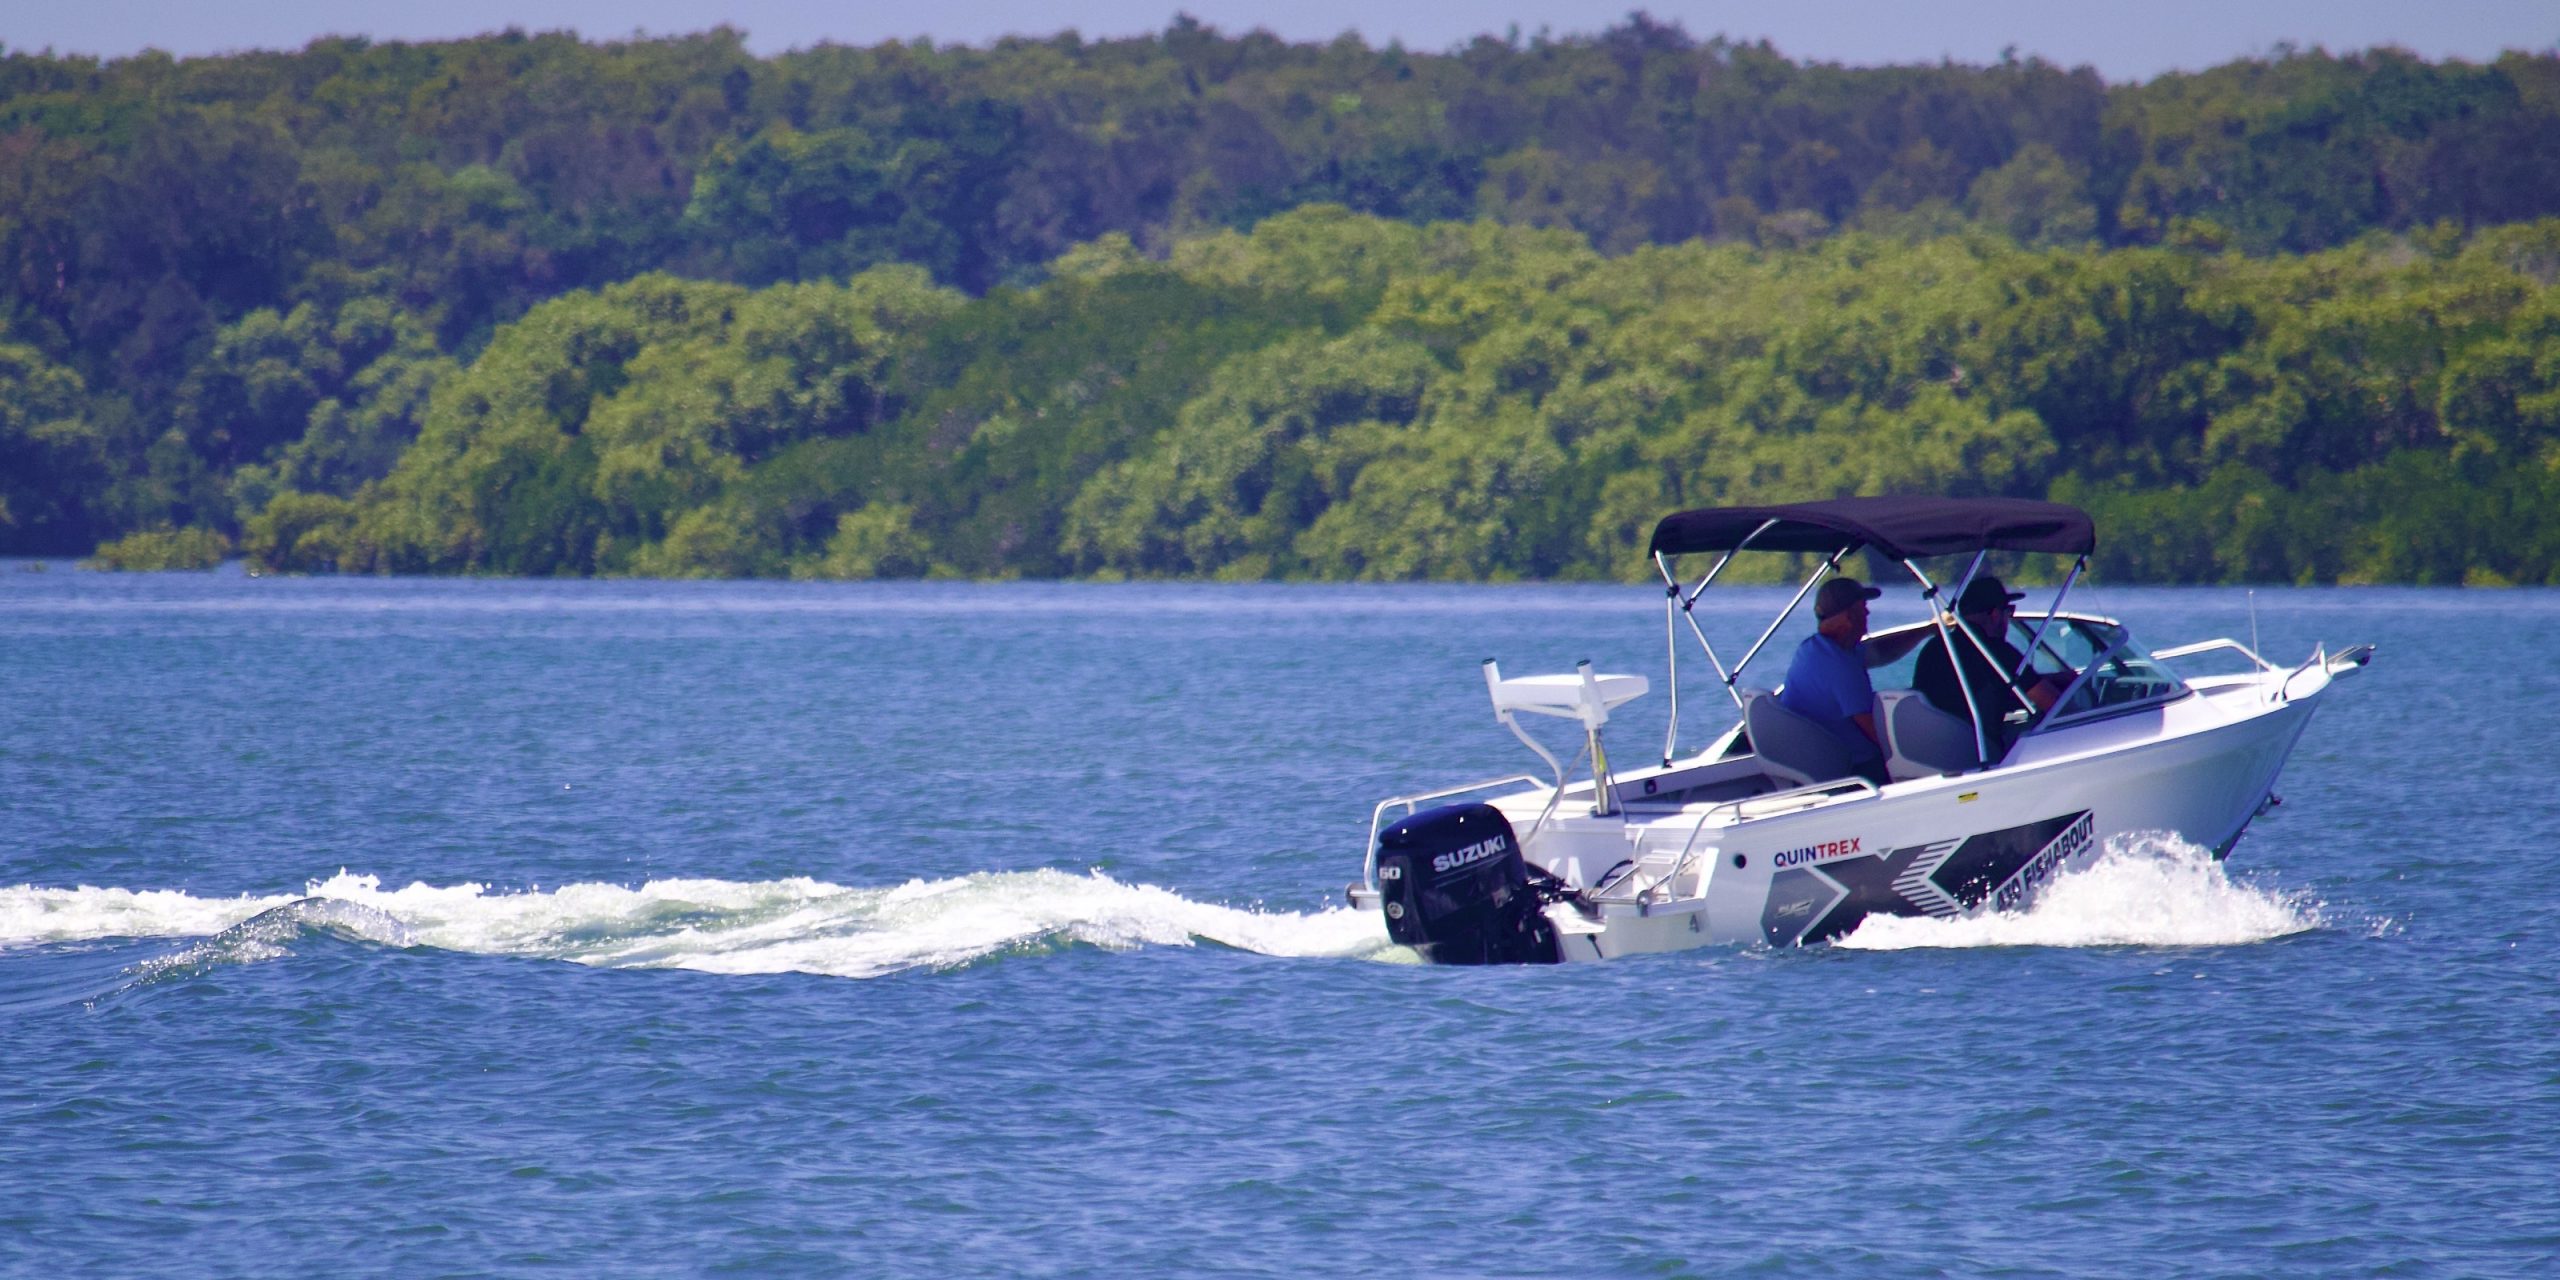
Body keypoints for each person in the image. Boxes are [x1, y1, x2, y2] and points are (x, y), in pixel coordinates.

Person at [1776, 576, 1924, 787]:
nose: (1868, 613)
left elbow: (1882, 651)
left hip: (1816, 758)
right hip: (1853, 770)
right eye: (1863, 607)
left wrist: (1928, 629)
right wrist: (1917, 751)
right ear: (1847, 616)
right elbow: (1873, 731)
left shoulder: (1814, 649)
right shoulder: (1839, 666)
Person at [1912, 575, 2071, 755]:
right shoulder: (1995, 652)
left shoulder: (1934, 648)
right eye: (2009, 611)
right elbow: (2054, 703)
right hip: (1976, 752)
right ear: (1996, 614)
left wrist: (2053, 679)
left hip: (1934, 750)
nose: (2009, 619)